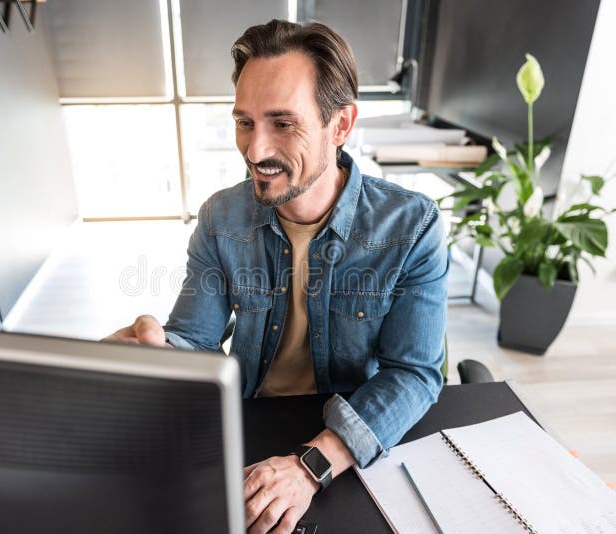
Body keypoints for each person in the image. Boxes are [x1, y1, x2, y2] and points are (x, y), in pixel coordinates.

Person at [106, 19, 448, 534]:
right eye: (245, 122)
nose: (255, 150)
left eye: (282, 123)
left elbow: (413, 373)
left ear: (341, 125)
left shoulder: (412, 224)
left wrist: (312, 465)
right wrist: (161, 358)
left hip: (356, 442)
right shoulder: (221, 218)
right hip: (252, 423)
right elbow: (195, 338)